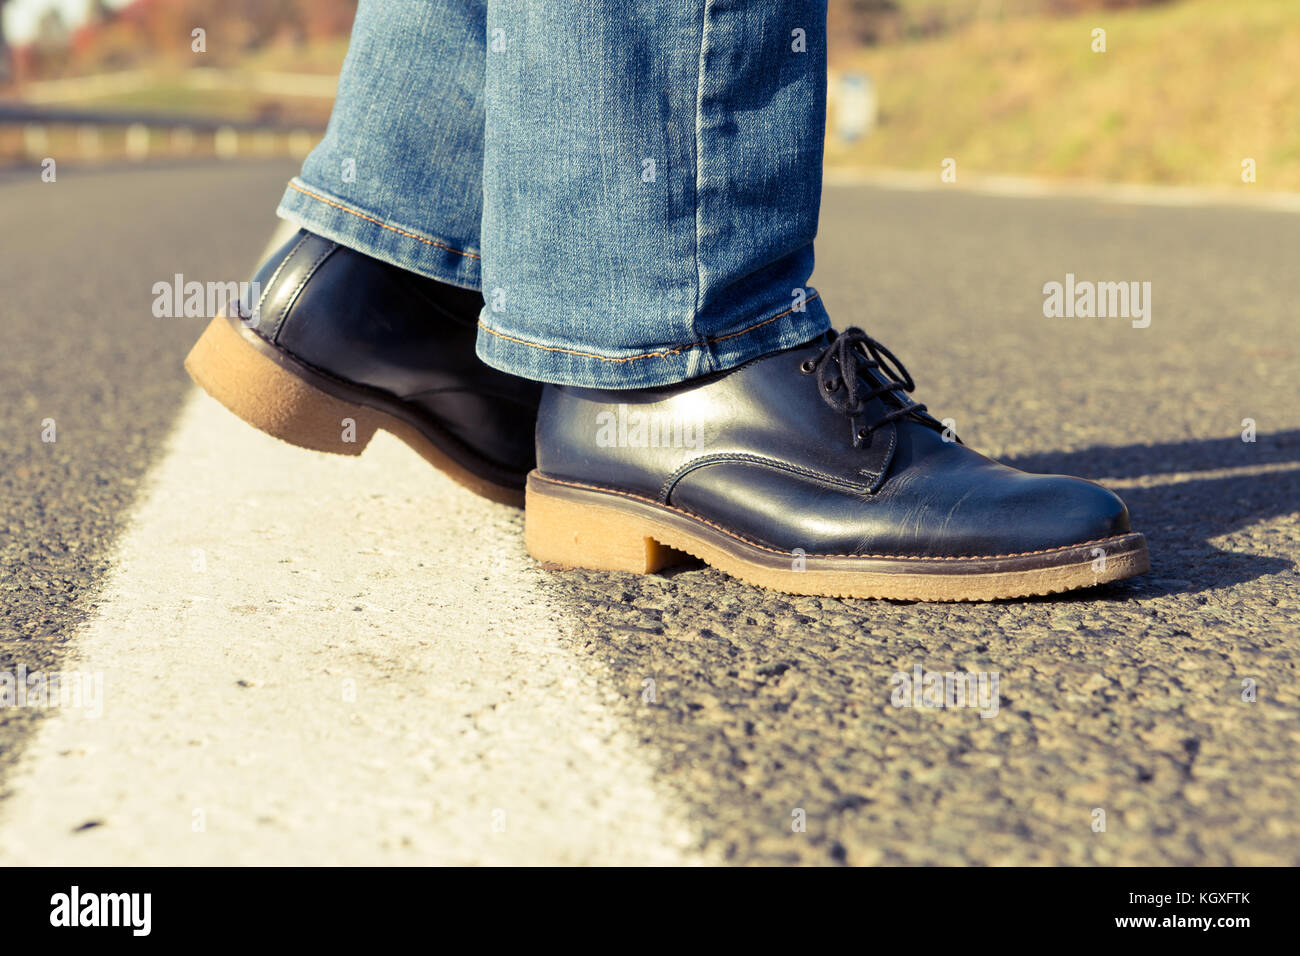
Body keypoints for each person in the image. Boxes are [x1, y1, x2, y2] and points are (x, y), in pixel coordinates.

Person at [184, 0, 1147, 601]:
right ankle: (671, 341)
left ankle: (406, 260)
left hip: (416, 257)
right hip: (666, 337)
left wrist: (425, 241)